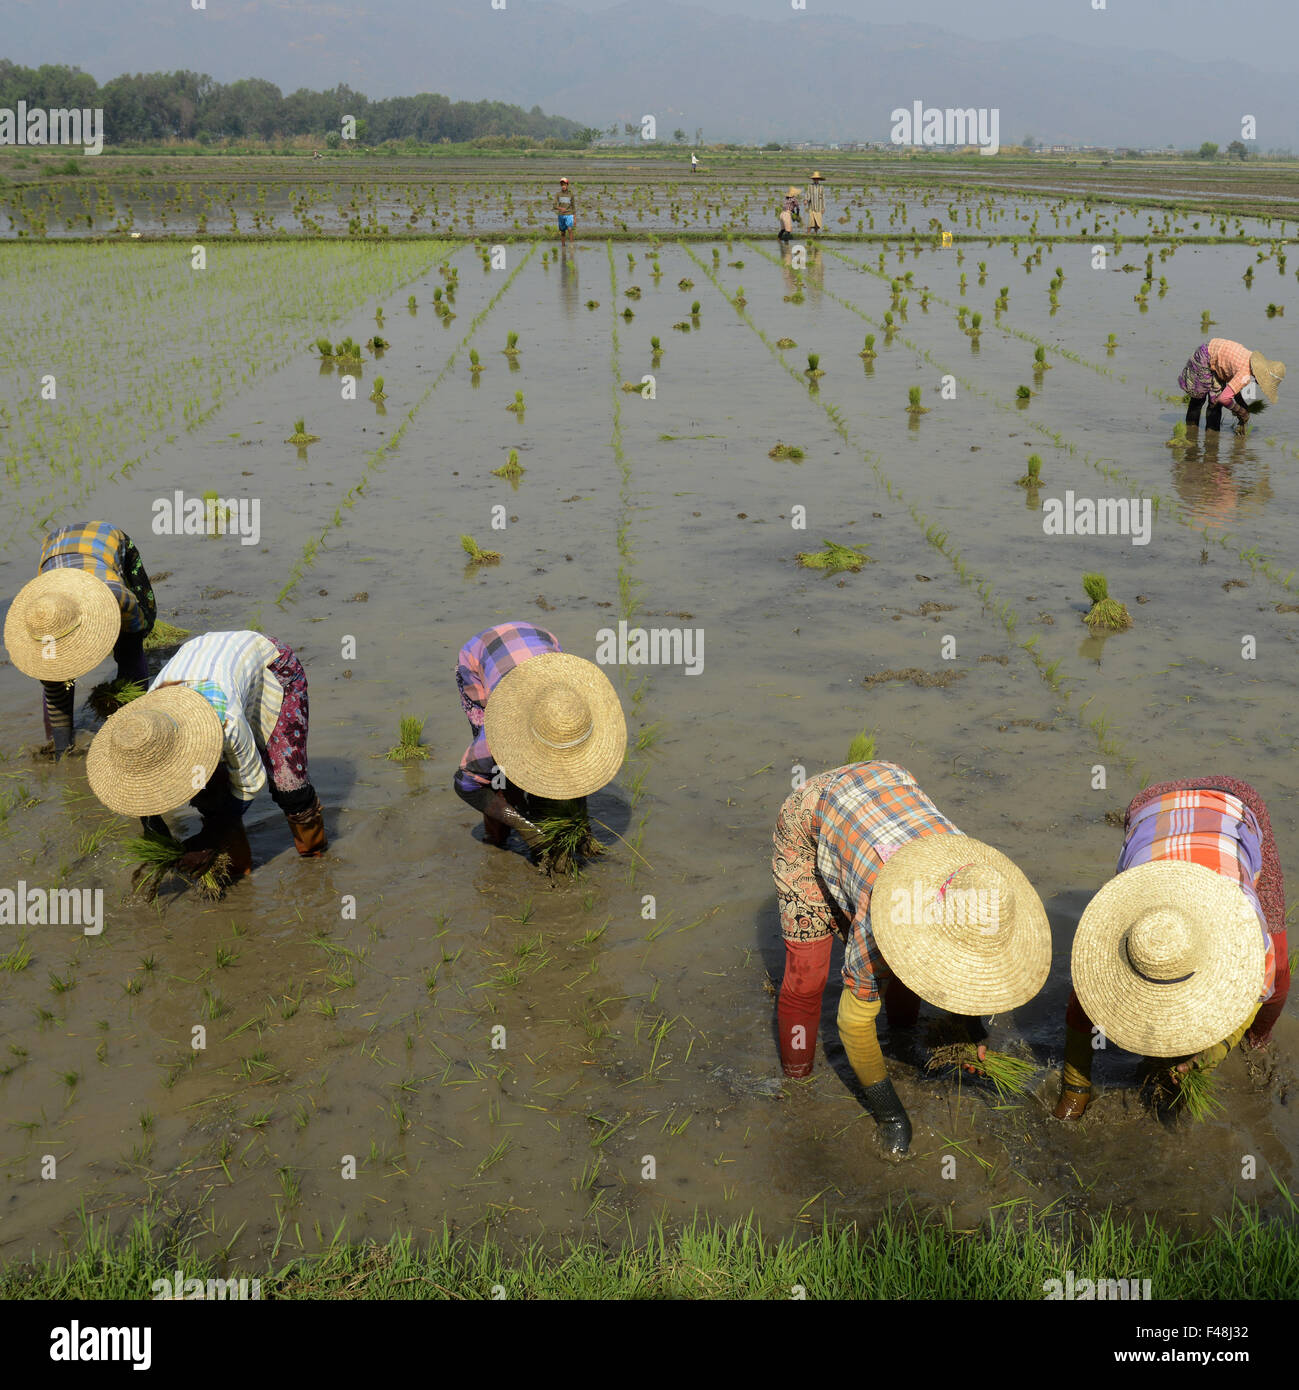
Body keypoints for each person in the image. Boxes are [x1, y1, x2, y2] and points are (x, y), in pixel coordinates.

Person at [772, 760, 1051, 1155]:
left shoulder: (982, 882)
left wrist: (971, 1033)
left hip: (890, 784)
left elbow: (971, 965)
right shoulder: (883, 911)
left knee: (908, 972)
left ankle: (901, 1041)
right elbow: (852, 1023)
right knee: (808, 977)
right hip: (814, 815)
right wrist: (890, 1114)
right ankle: (795, 1087)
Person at [1053, 778, 1289, 1120]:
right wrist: (1074, 1092)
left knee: (1278, 974)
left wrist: (1229, 1048)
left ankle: (1258, 1040)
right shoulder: (1109, 952)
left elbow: (1271, 987)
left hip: (1237, 811)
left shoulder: (1247, 933)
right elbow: (1080, 1014)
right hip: (1151, 810)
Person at [86, 630, 326, 877]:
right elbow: (141, 780)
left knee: (289, 785)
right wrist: (153, 827)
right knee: (209, 791)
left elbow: (250, 781)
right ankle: (238, 871)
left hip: (270, 667)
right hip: (205, 660)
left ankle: (314, 857)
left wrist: (211, 838)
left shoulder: (227, 722)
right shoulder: (145, 722)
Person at [453, 622, 626, 852]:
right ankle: (496, 838)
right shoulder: (492, 738)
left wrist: (581, 824)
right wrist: (526, 828)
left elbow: (580, 768)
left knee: (564, 763)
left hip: (538, 641)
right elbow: (466, 784)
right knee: (500, 774)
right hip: (480, 656)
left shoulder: (575, 709)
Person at [3, 520, 156, 759]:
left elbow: (135, 630)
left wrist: (128, 650)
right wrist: (61, 750)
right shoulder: (40, 615)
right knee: (56, 679)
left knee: (129, 650)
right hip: (55, 546)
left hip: (105, 538)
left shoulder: (114, 593)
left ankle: (133, 724)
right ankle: (59, 742)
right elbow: (55, 692)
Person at [1179, 338, 1284, 432]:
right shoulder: (1245, 374)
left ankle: (1211, 437)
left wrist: (1243, 405)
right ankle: (1191, 433)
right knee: (1198, 400)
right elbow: (1224, 399)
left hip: (1218, 360)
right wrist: (1240, 411)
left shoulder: (1251, 362)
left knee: (1215, 403)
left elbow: (1234, 387)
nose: (1259, 384)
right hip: (1206, 355)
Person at [553, 177, 577, 246]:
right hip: (561, 215)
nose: (563, 186)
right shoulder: (558, 194)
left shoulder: (571, 194)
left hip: (569, 214)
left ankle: (571, 245)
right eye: (562, 184)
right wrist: (560, 208)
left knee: (569, 229)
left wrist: (575, 218)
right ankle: (563, 246)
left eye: (564, 184)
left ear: (567, 185)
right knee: (563, 232)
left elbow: (573, 206)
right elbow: (554, 205)